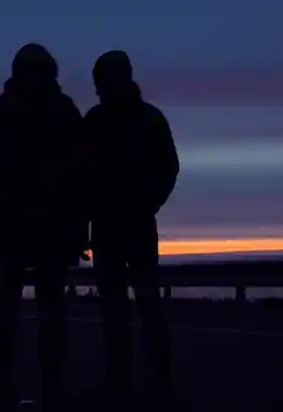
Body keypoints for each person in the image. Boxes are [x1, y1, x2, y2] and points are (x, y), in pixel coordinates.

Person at [0, 43, 86, 412]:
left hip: (45, 222)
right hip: (21, 220)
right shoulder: (4, 109)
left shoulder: (60, 110)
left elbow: (79, 162)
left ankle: (38, 382)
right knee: (20, 309)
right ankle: (11, 382)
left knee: (42, 309)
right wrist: (4, 185)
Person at [82, 50, 178, 406]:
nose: (97, 89)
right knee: (125, 307)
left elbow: (168, 168)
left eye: (99, 80)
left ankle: (146, 381)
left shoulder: (140, 119)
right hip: (116, 225)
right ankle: (135, 381)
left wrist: (147, 203)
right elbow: (81, 177)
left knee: (136, 305)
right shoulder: (131, 119)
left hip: (127, 224)